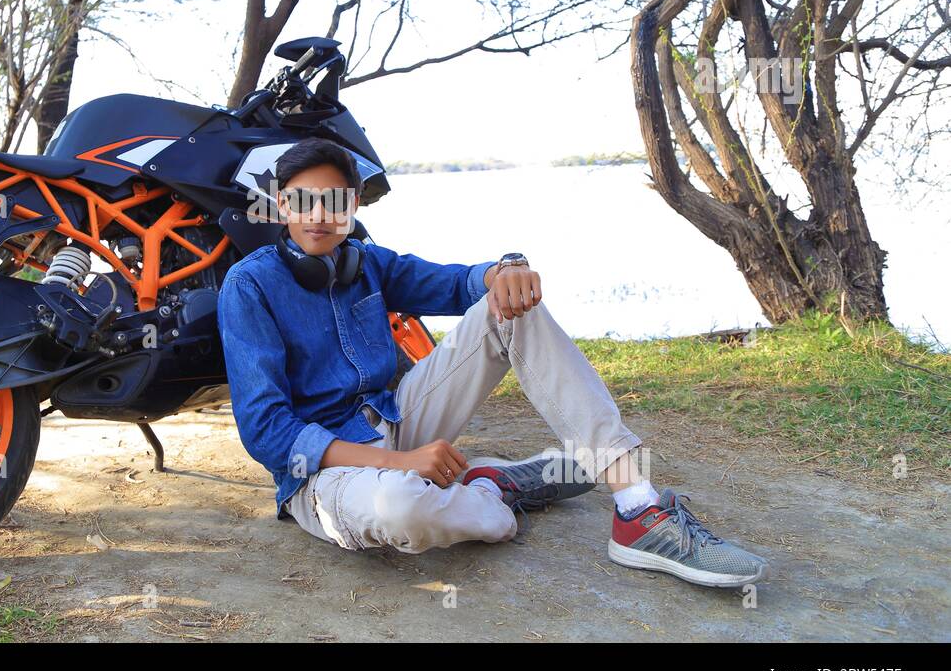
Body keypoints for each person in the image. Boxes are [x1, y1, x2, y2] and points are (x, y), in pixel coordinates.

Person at [216, 136, 768, 587]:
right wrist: (401, 465)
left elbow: (458, 282)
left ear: (353, 207)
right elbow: (267, 433)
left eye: (333, 201)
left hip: (398, 418)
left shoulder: (367, 263)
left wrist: (506, 267)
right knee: (403, 511)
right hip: (326, 473)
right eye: (302, 200)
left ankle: (637, 505)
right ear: (280, 205)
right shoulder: (249, 286)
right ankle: (491, 490)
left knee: (510, 307)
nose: (318, 215)